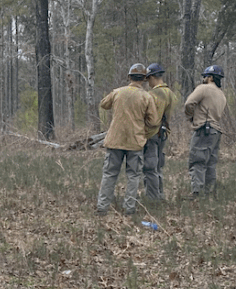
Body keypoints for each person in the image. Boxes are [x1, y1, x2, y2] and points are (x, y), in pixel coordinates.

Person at [96, 64, 158, 216]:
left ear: (129, 77)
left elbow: (103, 104)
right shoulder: (146, 97)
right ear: (144, 79)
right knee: (133, 176)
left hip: (115, 140)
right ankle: (129, 208)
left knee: (109, 174)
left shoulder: (118, 92)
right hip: (135, 141)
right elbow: (154, 121)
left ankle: (102, 207)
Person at [184, 63, 228, 199]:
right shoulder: (222, 95)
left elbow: (189, 103)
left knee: (197, 161)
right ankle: (209, 193)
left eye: (206, 76)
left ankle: (196, 193)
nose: (204, 78)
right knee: (210, 164)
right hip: (216, 131)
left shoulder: (203, 88)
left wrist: (191, 117)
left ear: (211, 77)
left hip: (204, 129)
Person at [142, 62, 177, 203]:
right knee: (157, 167)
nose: (148, 83)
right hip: (163, 133)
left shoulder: (154, 94)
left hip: (152, 134)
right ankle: (160, 195)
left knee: (150, 168)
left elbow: (150, 117)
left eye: (148, 79)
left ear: (152, 77)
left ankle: (152, 199)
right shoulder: (170, 93)